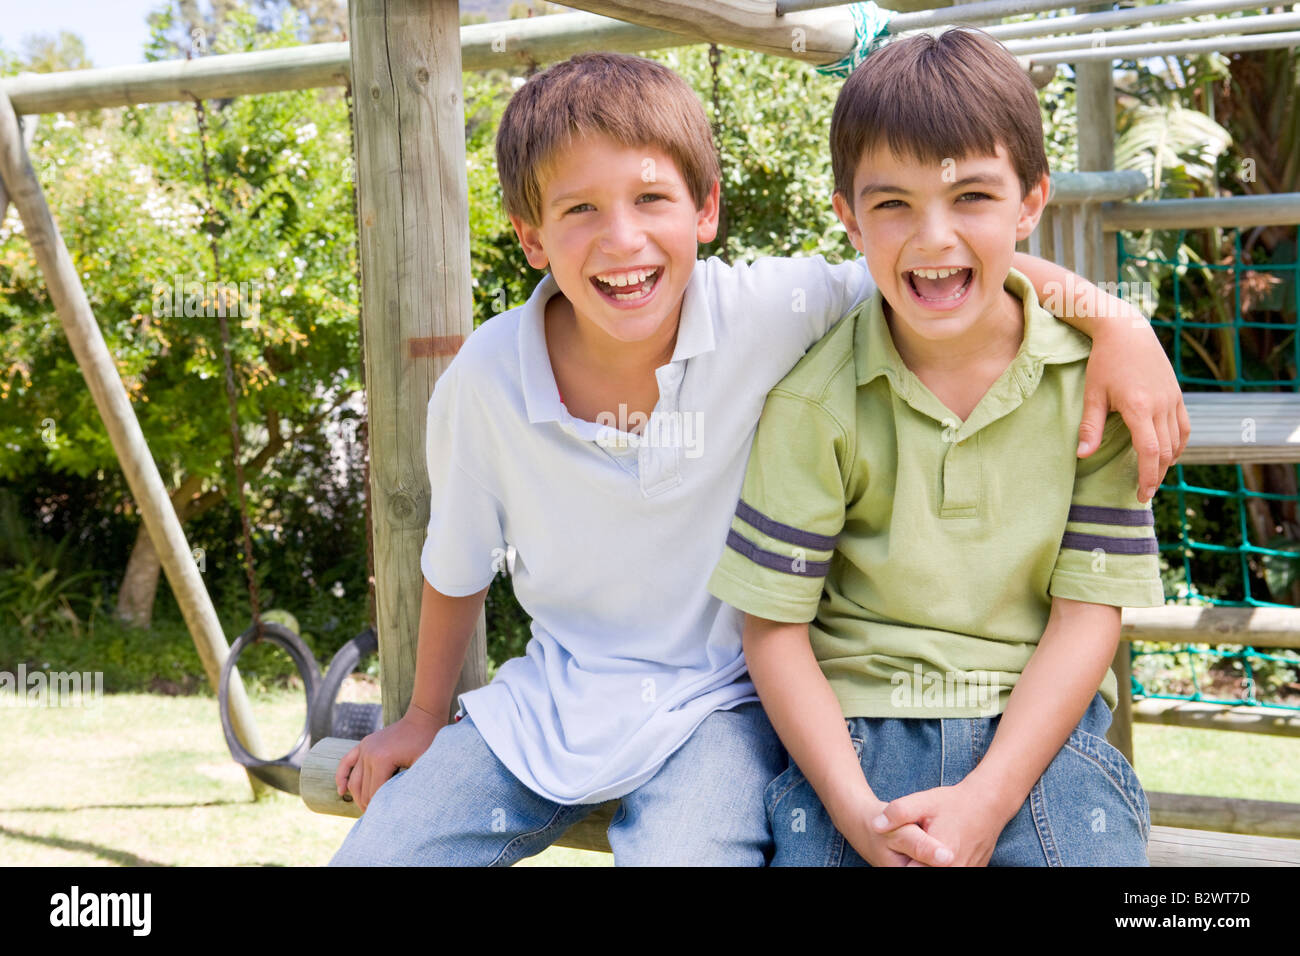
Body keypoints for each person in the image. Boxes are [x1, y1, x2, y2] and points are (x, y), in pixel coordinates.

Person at [329, 51, 1184, 867]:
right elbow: (458, 561)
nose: (621, 239)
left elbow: (947, 257)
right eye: (580, 210)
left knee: (684, 852)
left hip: (727, 707)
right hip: (555, 696)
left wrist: (1118, 321)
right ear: (530, 235)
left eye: (650, 199)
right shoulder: (485, 377)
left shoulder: (770, 311)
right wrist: (423, 714)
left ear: (705, 210)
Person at [708, 29, 1167, 867]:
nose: (932, 238)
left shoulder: (1095, 391)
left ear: (1032, 202)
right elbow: (771, 631)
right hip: (852, 743)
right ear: (847, 215)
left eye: (972, 198)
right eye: (892, 204)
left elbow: (1086, 617)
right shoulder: (815, 404)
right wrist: (855, 813)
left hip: (1041, 741)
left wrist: (989, 799)